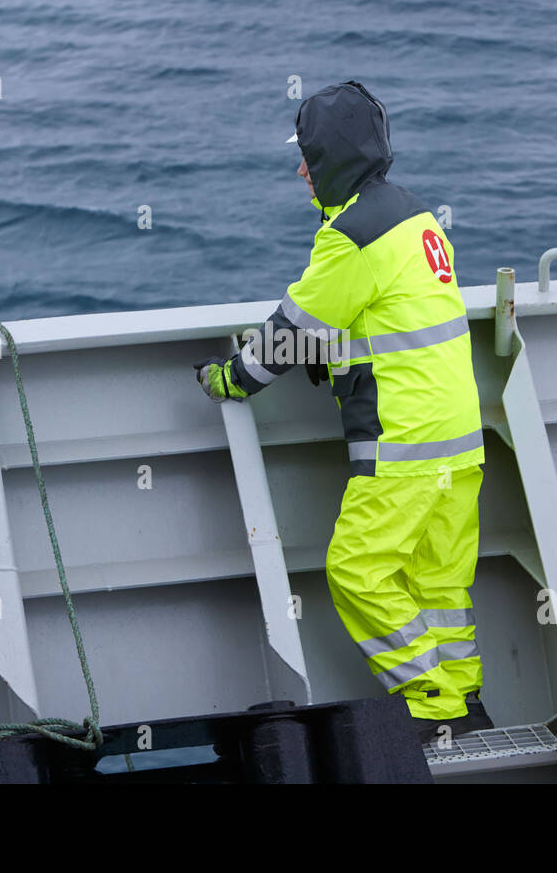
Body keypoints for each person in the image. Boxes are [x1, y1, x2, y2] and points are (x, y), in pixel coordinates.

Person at [194, 80, 492, 744]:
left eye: (307, 156)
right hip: (459, 440)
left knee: (356, 570)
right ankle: (467, 699)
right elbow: (390, 321)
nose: (300, 169)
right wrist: (336, 357)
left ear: (332, 159)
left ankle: (430, 700)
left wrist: (227, 379)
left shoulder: (351, 235)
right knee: (439, 580)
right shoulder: (415, 217)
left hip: (404, 445)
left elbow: (290, 328)